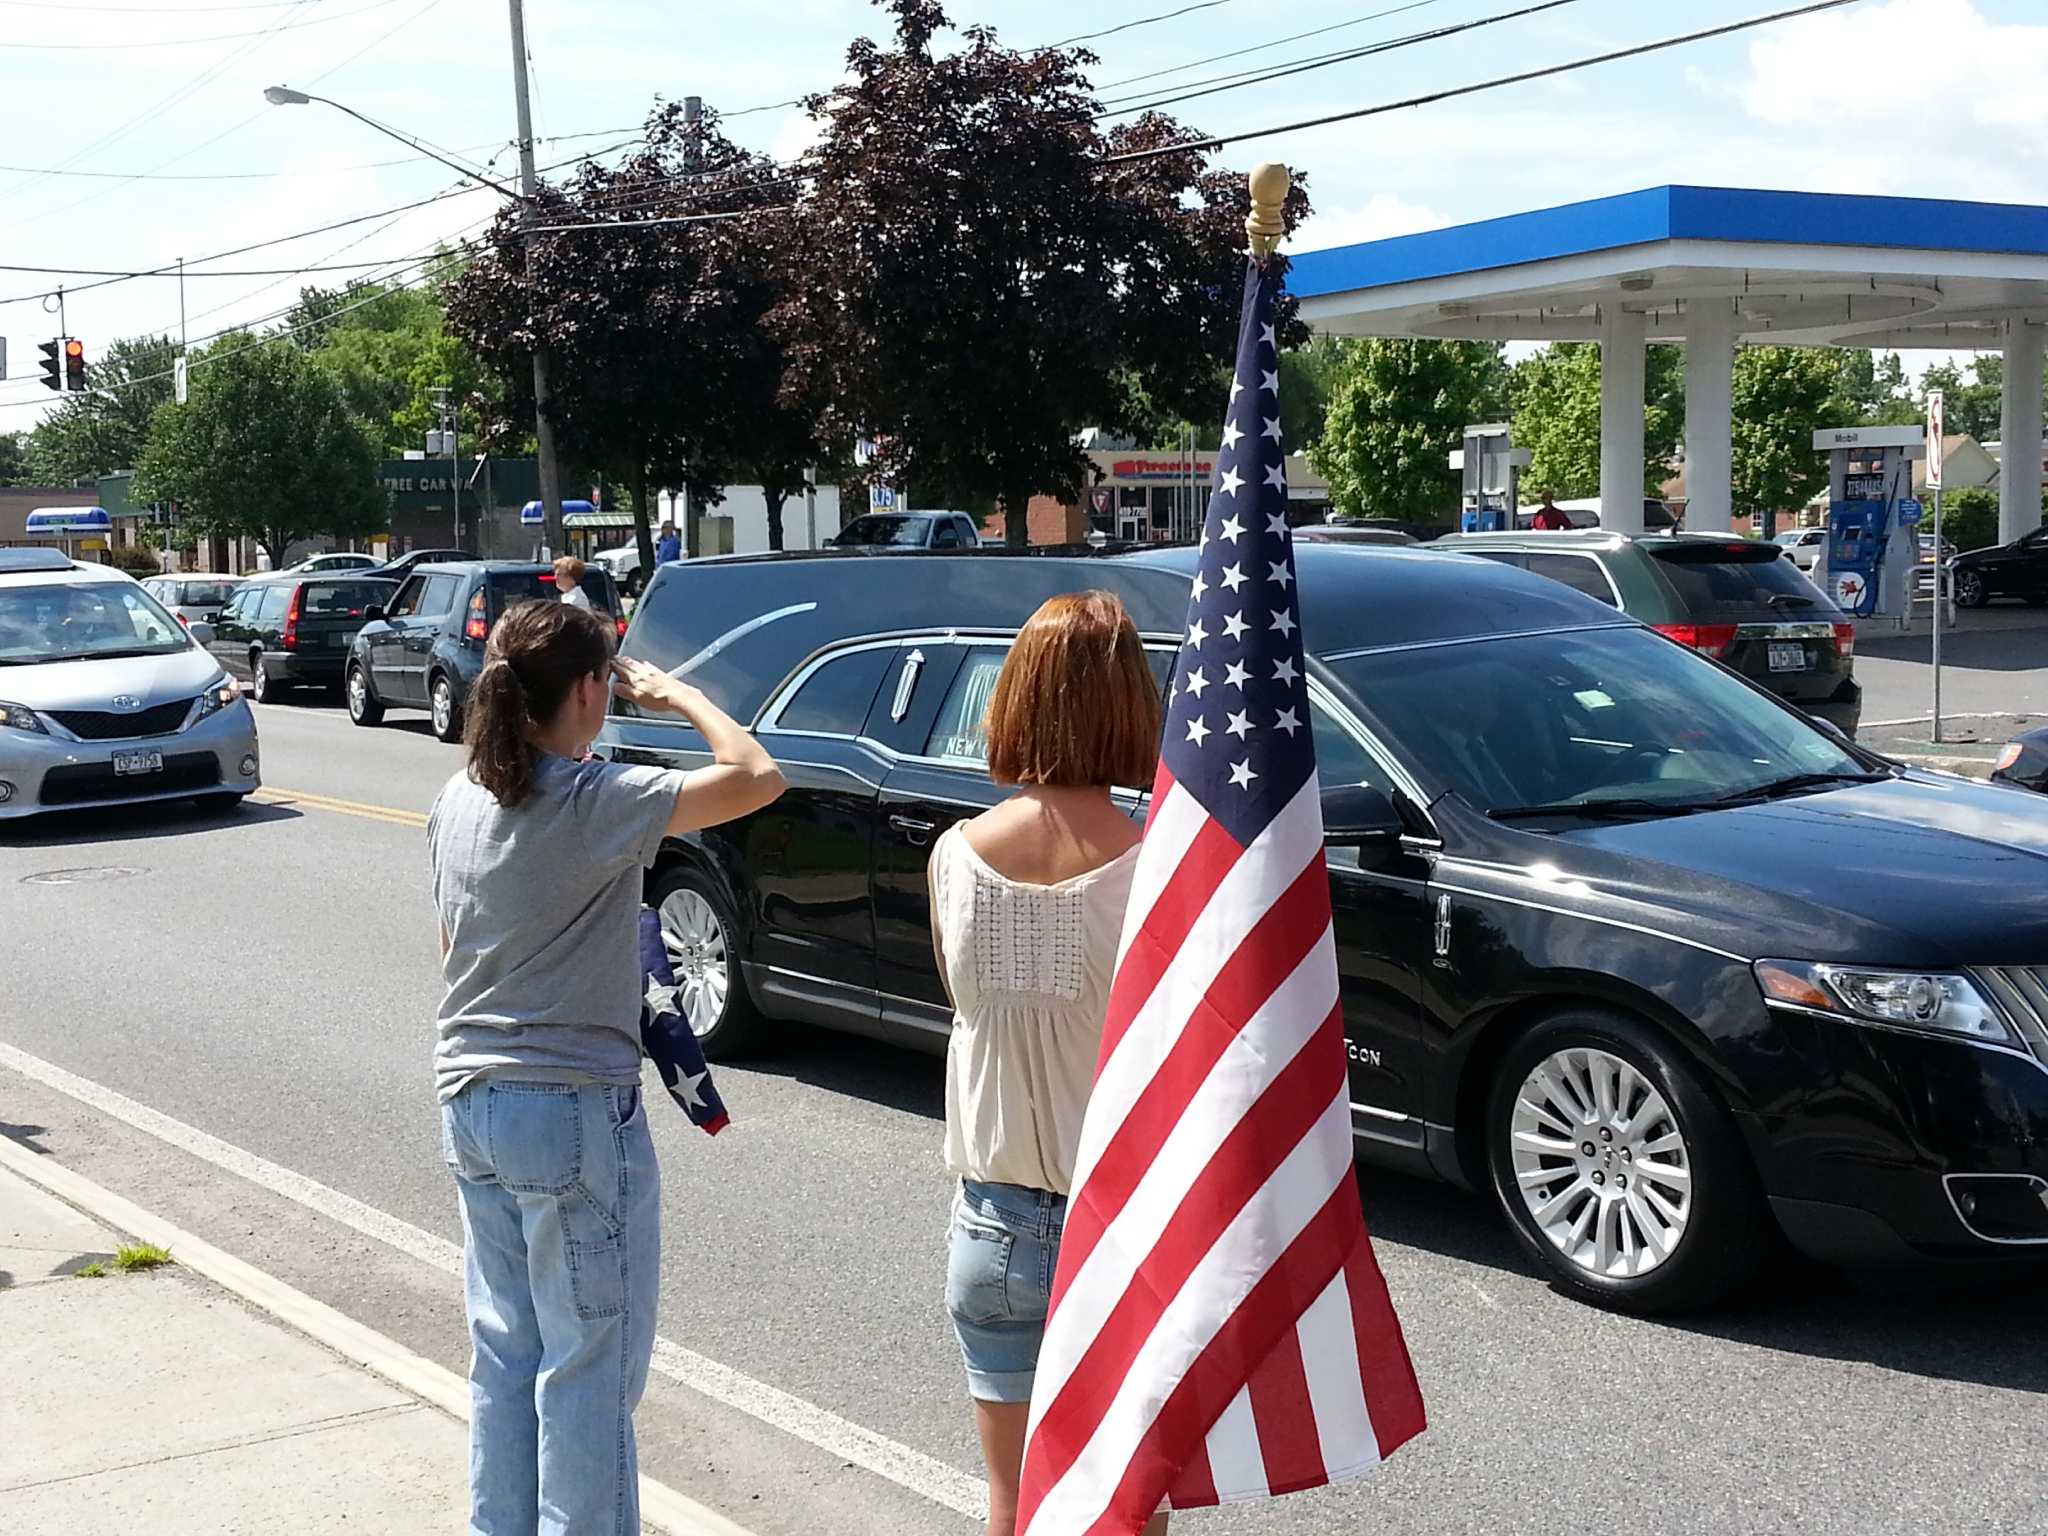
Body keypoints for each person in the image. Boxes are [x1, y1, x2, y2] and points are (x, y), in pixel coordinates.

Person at [428, 600, 784, 1534]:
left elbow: (451, 945)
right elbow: (757, 775)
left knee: (507, 1353)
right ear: (591, 690)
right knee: (589, 1368)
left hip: (470, 1095)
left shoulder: (456, 800)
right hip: (575, 1107)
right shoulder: (599, 800)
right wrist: (682, 696)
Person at [927, 591, 1168, 1536]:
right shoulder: (1156, 863)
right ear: (1130, 707)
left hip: (991, 1218)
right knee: (1125, 1504)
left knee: (1010, 1501)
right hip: (1118, 1221)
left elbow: (961, 996)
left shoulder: (955, 855)